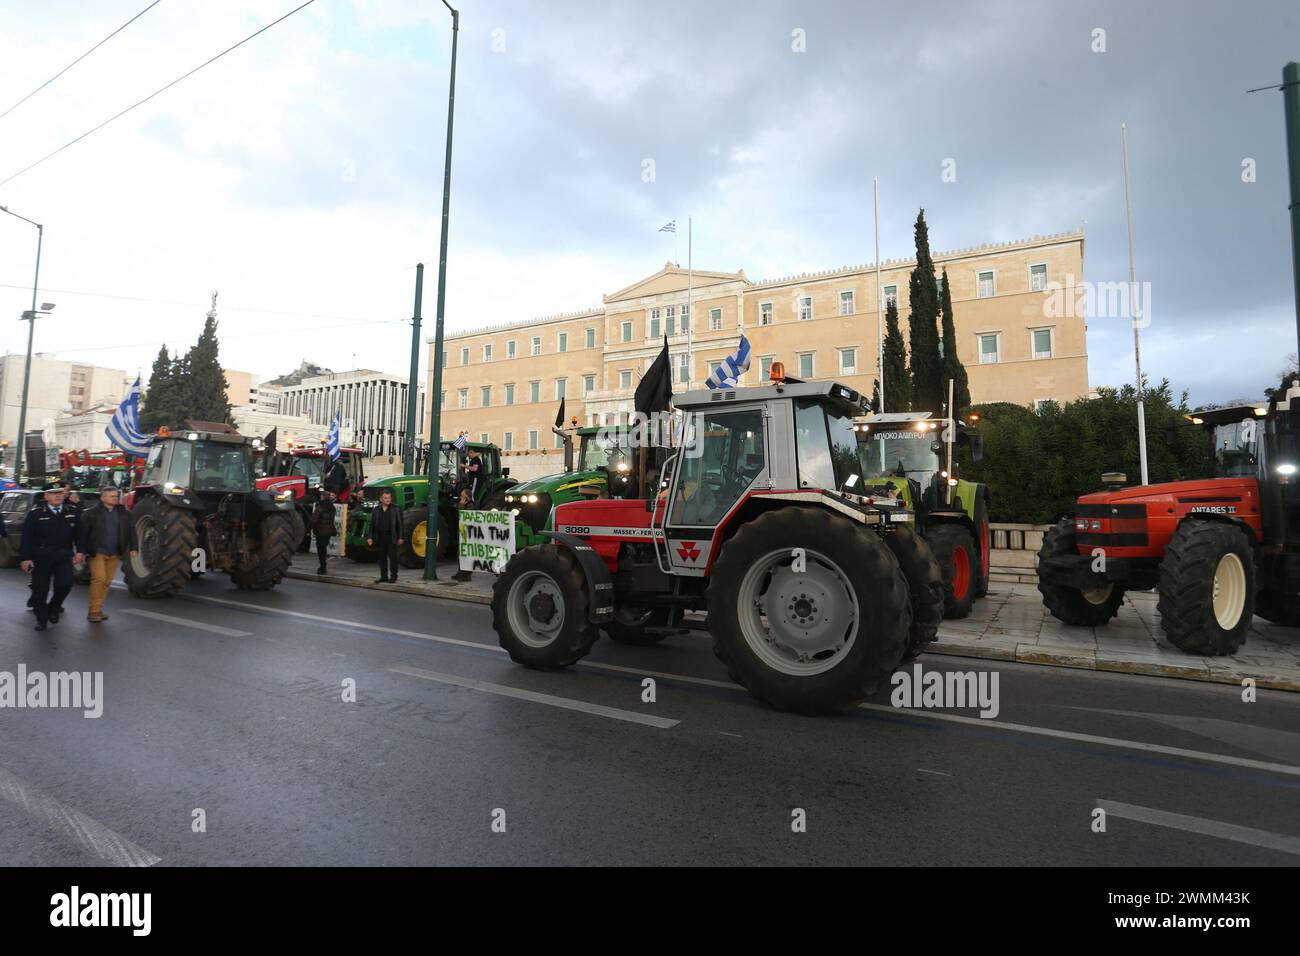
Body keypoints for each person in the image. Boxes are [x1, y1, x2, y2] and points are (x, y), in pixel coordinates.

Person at [19, 485, 83, 631]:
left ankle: (53, 608)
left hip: (63, 555)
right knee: (40, 590)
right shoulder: (36, 513)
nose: (58, 496)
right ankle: (41, 620)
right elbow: (26, 538)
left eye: (60, 493)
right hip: (41, 556)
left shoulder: (72, 511)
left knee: (65, 585)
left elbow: (80, 534)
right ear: (46, 496)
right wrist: (26, 558)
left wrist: (80, 551)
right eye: (53, 493)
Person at [78, 486, 136, 623]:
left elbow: (131, 531)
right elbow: (82, 535)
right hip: (97, 551)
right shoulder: (91, 514)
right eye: (111, 496)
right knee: (99, 579)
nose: (115, 498)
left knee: (107, 581)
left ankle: (98, 608)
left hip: (114, 552)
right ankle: (93, 611)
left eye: (116, 496)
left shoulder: (124, 513)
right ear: (103, 498)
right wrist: (81, 552)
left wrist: (134, 547)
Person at [366, 489, 404, 584]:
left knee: (393, 558)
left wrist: (401, 537)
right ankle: (383, 576)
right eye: (385, 498)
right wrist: (370, 537)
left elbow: (400, 524)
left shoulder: (396, 509)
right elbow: (372, 525)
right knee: (381, 558)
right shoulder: (376, 510)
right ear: (381, 499)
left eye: (389, 498)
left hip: (392, 537)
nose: (387, 500)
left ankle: (393, 576)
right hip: (380, 538)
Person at [311, 489, 337, 575]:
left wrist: (309, 528)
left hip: (320, 531)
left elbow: (314, 519)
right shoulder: (332, 507)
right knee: (324, 548)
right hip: (329, 531)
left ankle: (323, 567)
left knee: (321, 550)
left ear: (322, 497)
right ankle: (323, 566)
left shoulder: (320, 507)